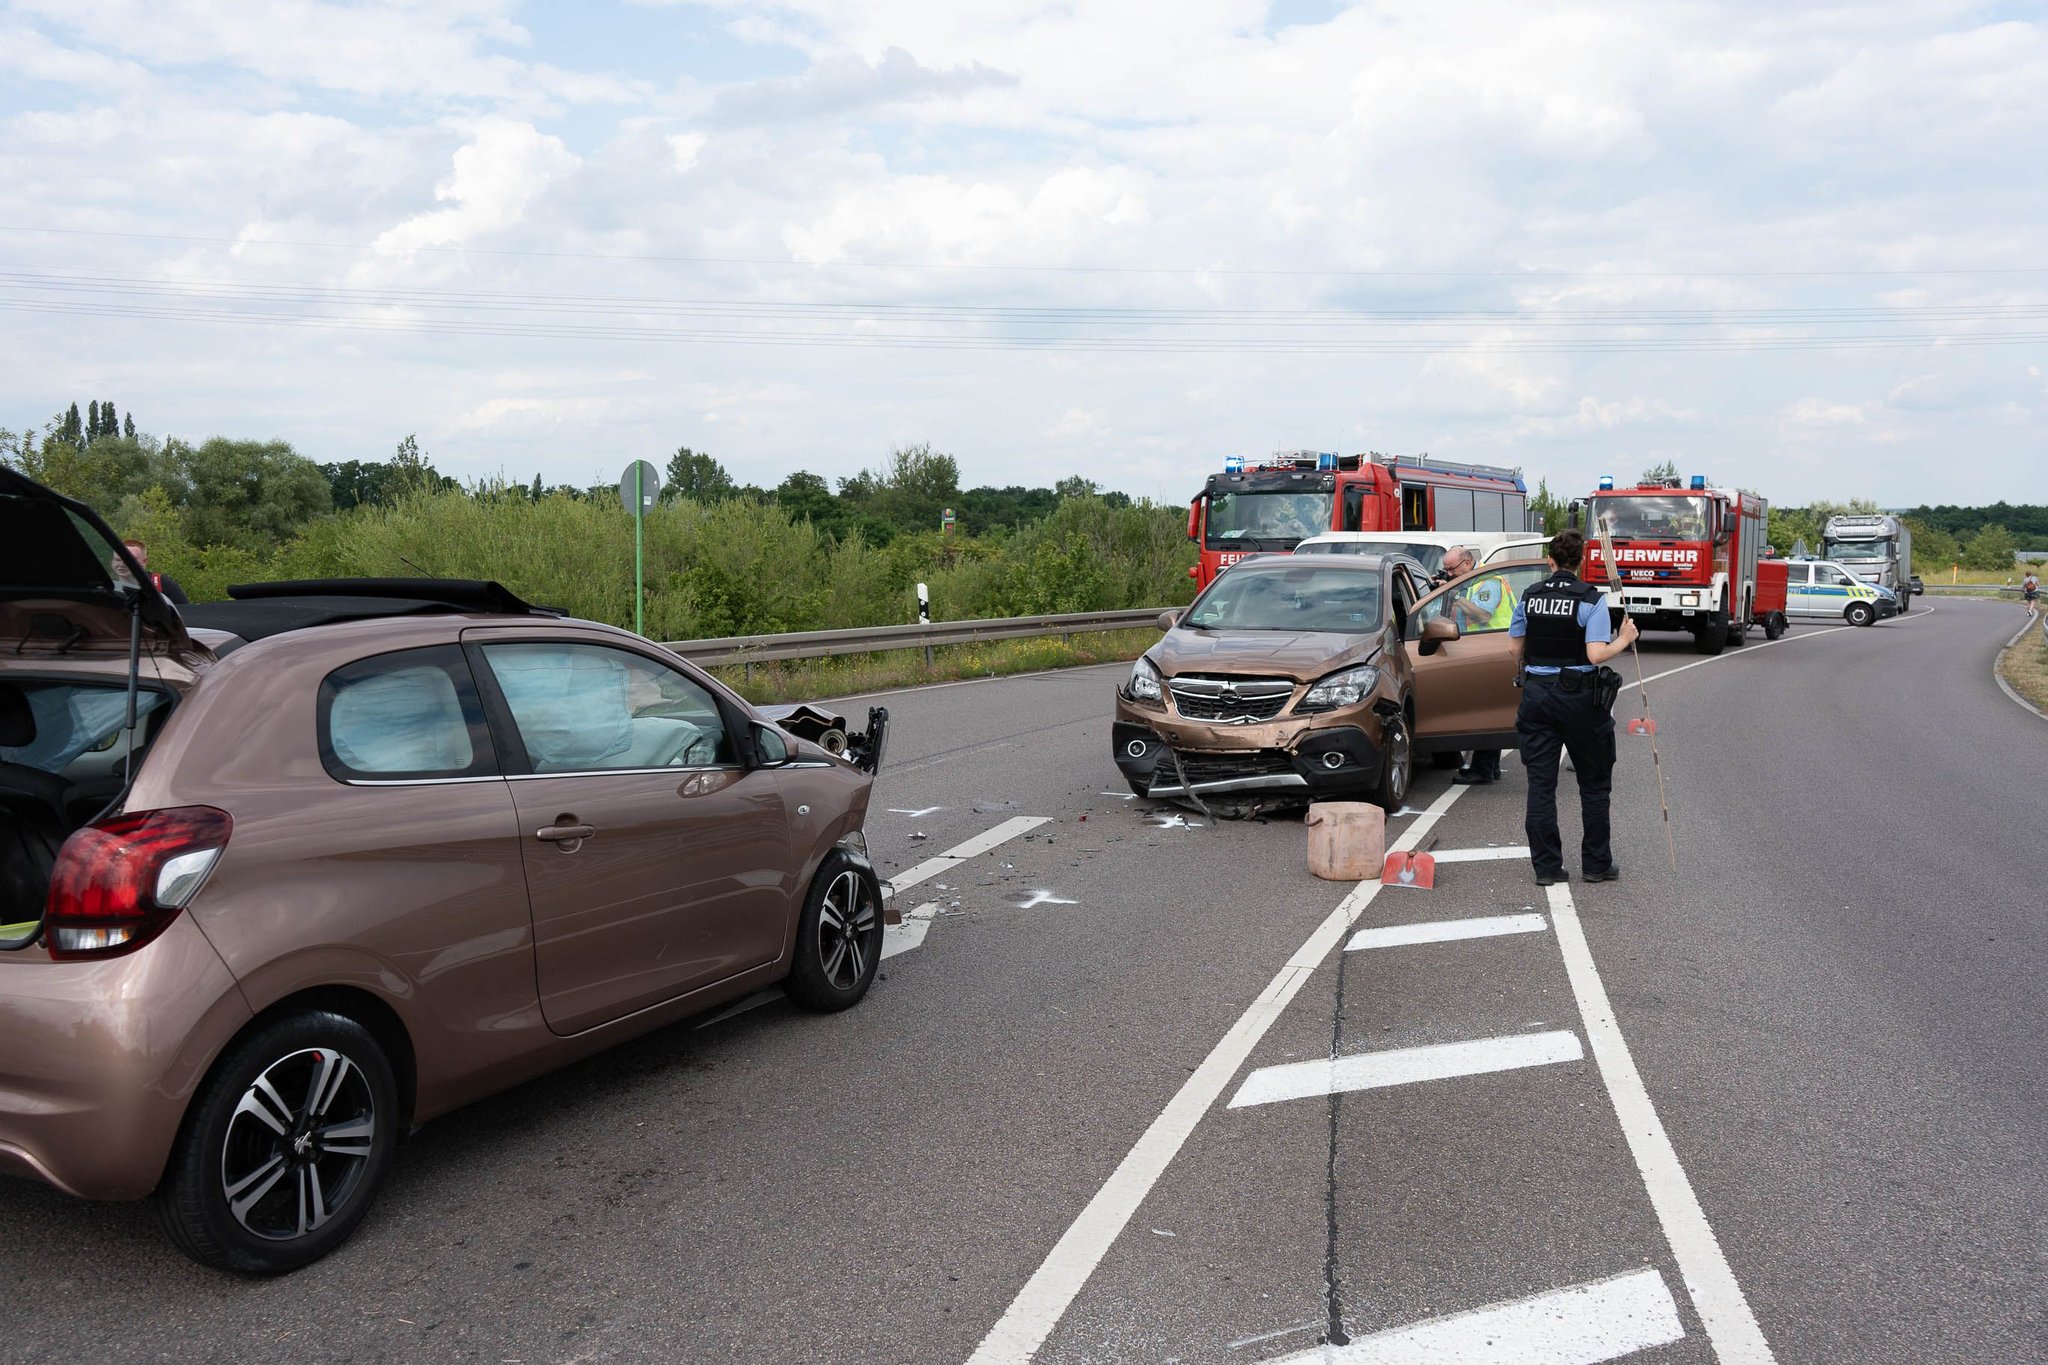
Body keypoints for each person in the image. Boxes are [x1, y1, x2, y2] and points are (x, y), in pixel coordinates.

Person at [1508, 529, 1638, 886]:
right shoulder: (1590, 599)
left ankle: (1547, 869)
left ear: (1550, 561)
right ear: (1580, 562)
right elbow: (1596, 654)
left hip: (1536, 695)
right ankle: (1596, 865)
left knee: (1540, 785)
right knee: (1594, 784)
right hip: (1579, 698)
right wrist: (1624, 640)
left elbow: (1513, 650)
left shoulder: (1530, 596)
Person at [1438, 545, 1515, 785]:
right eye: (1446, 570)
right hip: (1485, 651)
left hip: (1492, 652)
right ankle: (1489, 767)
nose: (1449, 574)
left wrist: (1455, 595)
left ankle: (1482, 769)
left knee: (1484, 711)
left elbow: (1482, 615)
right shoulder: (1472, 582)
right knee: (1488, 708)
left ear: (1468, 562)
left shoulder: (1488, 582)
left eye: (1452, 569)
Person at [120, 539, 190, 605]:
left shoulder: (163, 584)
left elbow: (186, 613)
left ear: (144, 562)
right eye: (121, 558)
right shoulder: (111, 587)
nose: (125, 562)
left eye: (132, 559)